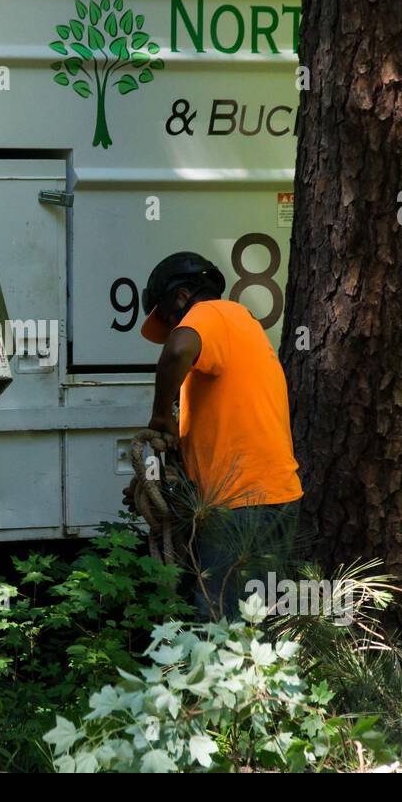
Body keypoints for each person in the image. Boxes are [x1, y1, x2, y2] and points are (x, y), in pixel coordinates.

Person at [139, 251, 303, 620]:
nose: (170, 329)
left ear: (182, 296)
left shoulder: (211, 313)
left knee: (220, 624)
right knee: (255, 623)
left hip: (241, 503)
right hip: (271, 497)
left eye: (166, 317)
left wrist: (160, 415)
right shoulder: (238, 325)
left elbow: (176, 350)